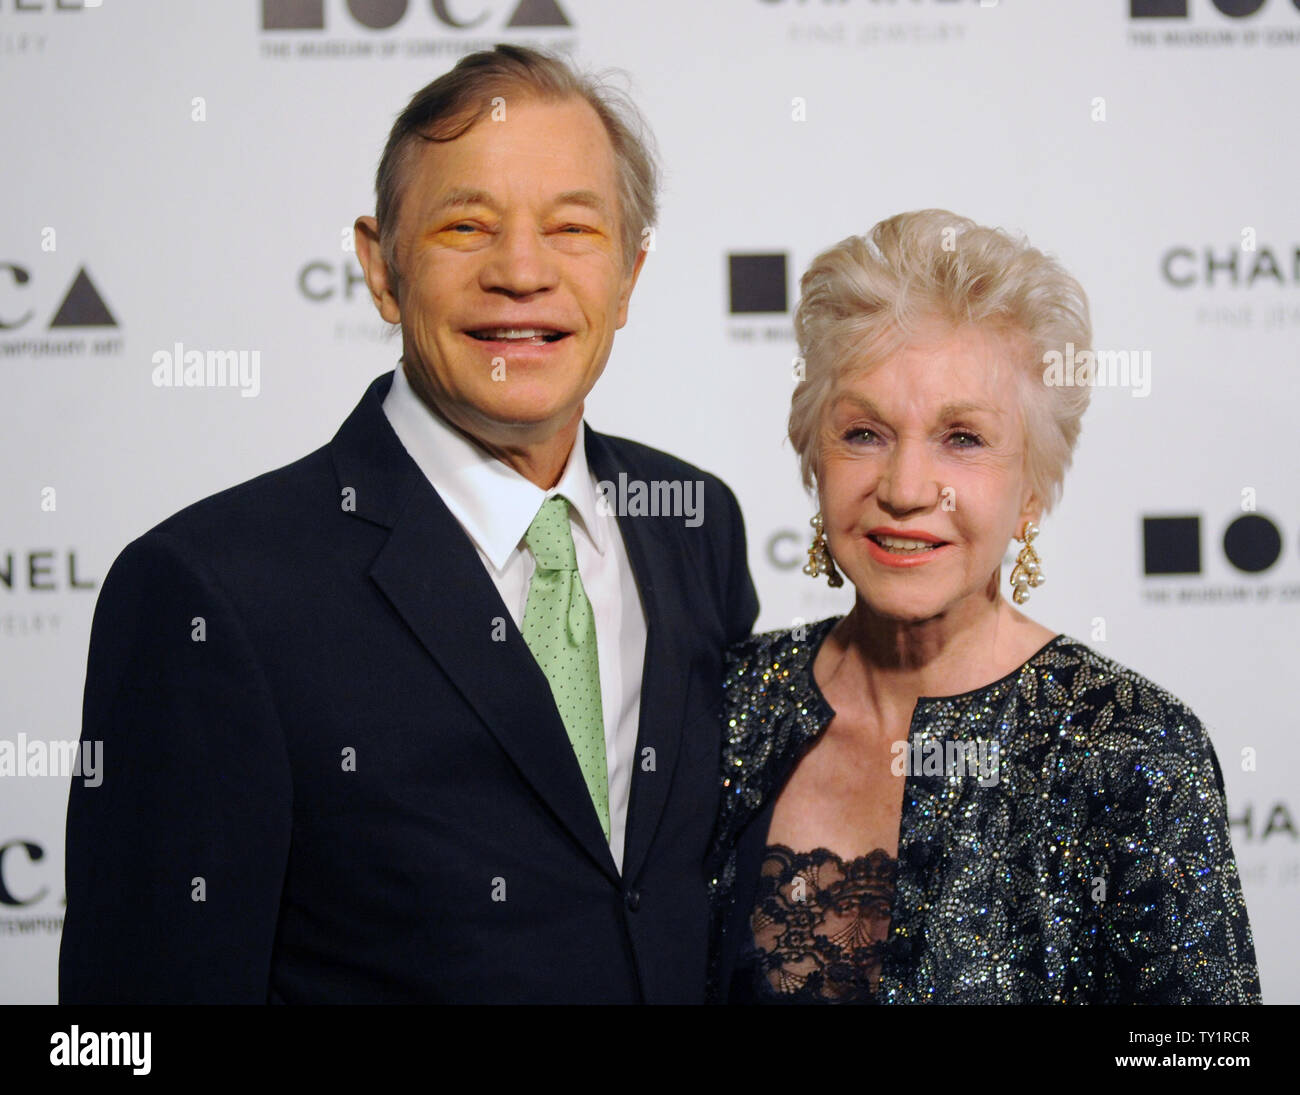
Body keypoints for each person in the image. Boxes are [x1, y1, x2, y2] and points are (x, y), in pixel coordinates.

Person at [59, 45, 758, 1004]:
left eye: (572, 228)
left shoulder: (695, 525)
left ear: (630, 274)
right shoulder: (212, 589)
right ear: (382, 267)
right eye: (467, 226)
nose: (522, 271)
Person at [707, 210, 1261, 1004]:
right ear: (812, 456)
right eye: (864, 432)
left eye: (962, 438)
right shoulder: (732, 703)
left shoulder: (1131, 745)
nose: (904, 488)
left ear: (1033, 485)